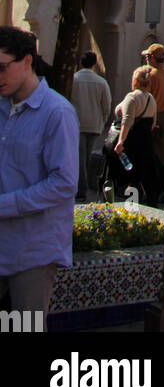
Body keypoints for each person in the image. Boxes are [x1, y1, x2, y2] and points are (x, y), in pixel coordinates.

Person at [0, 26, 78, 329]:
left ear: (27, 61)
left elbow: (64, 183)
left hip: (33, 250)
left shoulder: (57, 112)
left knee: (23, 326)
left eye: (3, 67)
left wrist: (7, 205)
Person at [105, 66, 161, 205]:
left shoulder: (132, 97)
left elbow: (127, 121)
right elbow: (153, 123)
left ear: (134, 80)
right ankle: (146, 208)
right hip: (146, 143)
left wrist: (120, 142)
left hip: (131, 143)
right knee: (144, 177)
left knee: (129, 176)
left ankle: (129, 208)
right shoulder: (151, 99)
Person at [70, 51, 111, 201]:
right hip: (94, 124)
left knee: (80, 157)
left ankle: (82, 188)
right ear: (95, 64)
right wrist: (102, 121)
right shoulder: (101, 82)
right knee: (89, 156)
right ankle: (89, 186)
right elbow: (107, 105)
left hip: (77, 123)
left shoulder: (73, 80)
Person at [142, 43, 164, 177]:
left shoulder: (150, 75)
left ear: (151, 58)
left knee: (151, 154)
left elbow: (145, 98)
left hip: (154, 118)